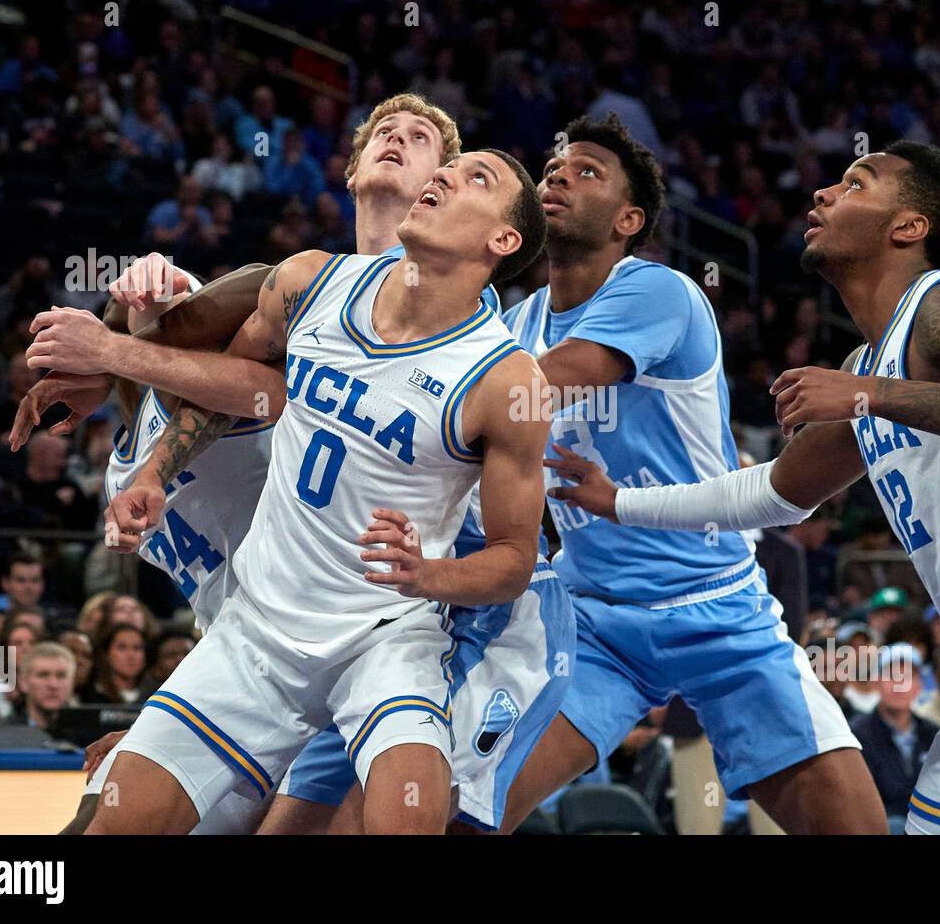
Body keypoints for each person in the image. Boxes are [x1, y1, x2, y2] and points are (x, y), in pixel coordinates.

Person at [546, 141, 940, 835]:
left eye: (856, 183)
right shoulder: (869, 363)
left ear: (908, 227)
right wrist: (620, 501)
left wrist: (869, 393)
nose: (823, 194)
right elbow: (770, 493)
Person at [29, 94, 573, 836]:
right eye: (440, 165)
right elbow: (217, 374)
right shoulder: (306, 280)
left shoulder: (506, 380)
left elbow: (515, 555)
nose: (442, 173)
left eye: (468, 173)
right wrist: (154, 465)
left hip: (404, 631)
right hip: (259, 626)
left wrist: (428, 575)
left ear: (505, 238)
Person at [495, 114, 884, 834]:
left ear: (628, 218)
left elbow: (553, 382)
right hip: (593, 621)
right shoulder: (516, 328)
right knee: (470, 807)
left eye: (586, 171)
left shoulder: (659, 291)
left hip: (713, 605)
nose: (557, 174)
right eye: (554, 165)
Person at [851, 643, 939, 830]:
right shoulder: (857, 734)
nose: (900, 684)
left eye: (908, 676)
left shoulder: (934, 734)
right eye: (892, 676)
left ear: (919, 686)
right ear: (875, 683)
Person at [5, 641, 77, 733]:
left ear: (72, 682)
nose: (53, 684)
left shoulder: (92, 735)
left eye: (61, 676)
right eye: (43, 675)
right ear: (23, 682)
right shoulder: (0, 734)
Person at [81, 622, 147, 705]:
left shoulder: (155, 694)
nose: (131, 656)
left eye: (137, 648)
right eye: (122, 647)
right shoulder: (87, 697)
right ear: (106, 654)